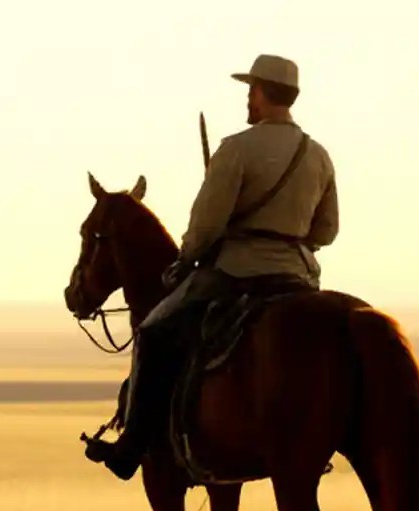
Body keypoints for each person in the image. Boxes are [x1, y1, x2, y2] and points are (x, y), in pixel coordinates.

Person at [83, 53, 340, 481]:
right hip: (298, 278)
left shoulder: (236, 148)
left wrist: (188, 259)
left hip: (237, 272)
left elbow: (204, 227)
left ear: (260, 92)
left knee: (153, 332)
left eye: (250, 91)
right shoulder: (317, 155)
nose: (248, 99)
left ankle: (131, 448)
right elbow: (327, 230)